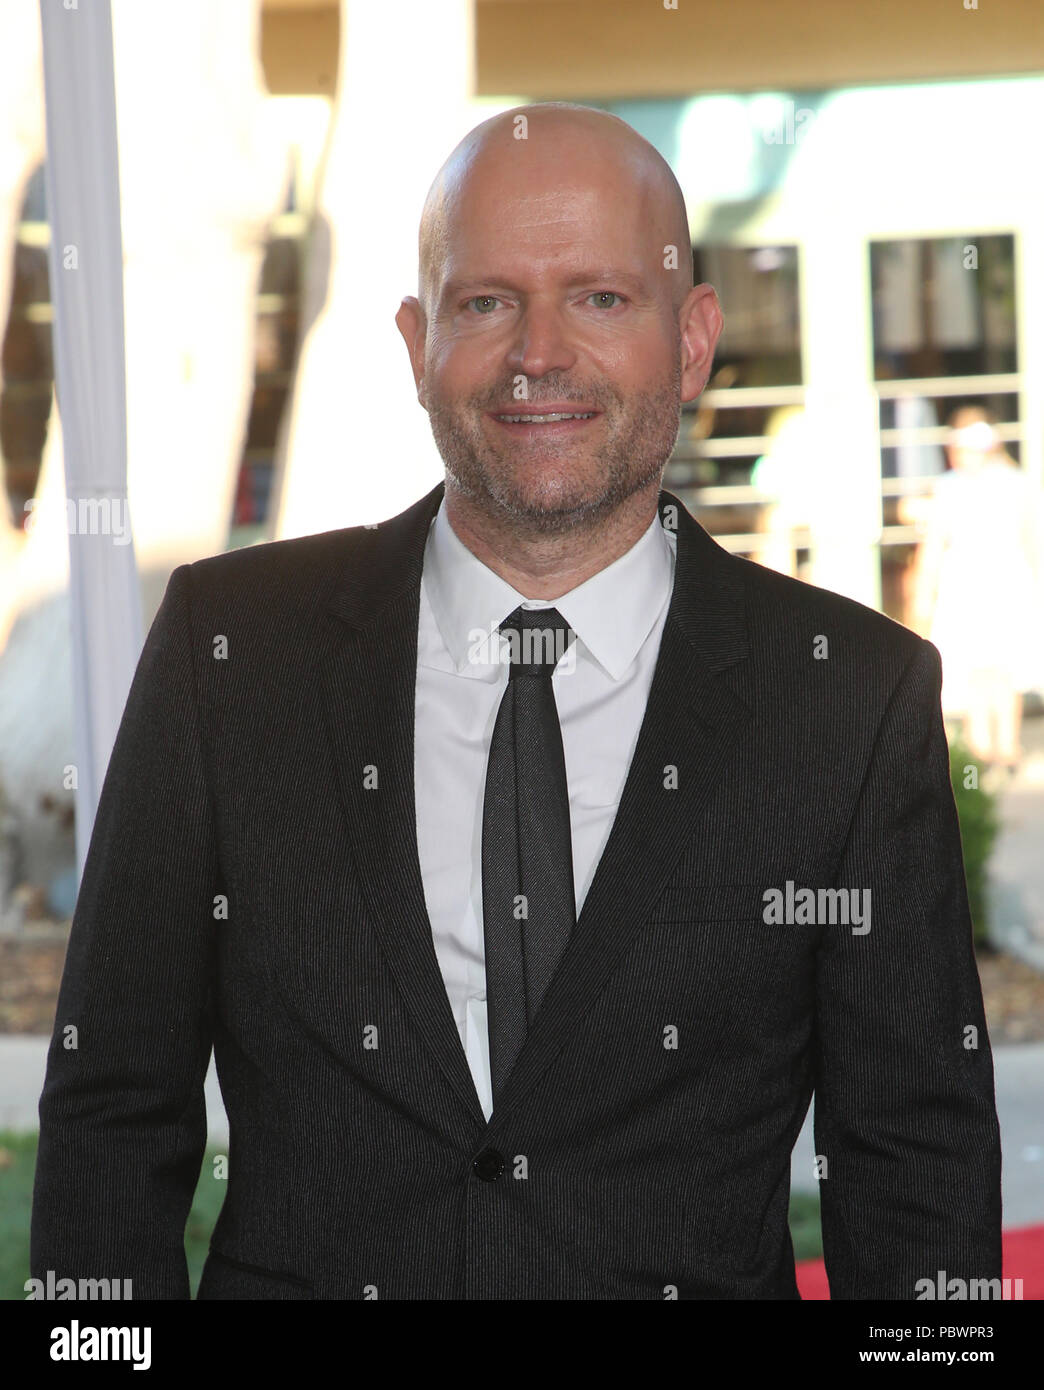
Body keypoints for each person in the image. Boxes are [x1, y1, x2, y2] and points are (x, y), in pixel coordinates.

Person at [31, 102, 1001, 1301]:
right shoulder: (229, 654)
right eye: (487, 301)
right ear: (416, 342)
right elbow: (112, 1111)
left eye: (600, 297)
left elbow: (913, 1162)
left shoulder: (850, 697)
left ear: (692, 340)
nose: (540, 352)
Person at [912, 405, 1044, 783]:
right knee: (991, 671)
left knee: (989, 671)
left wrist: (924, 595)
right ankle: (996, 747)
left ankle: (990, 749)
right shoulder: (1013, 483)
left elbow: (934, 547)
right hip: (992, 585)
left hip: (981, 586)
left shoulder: (956, 487)